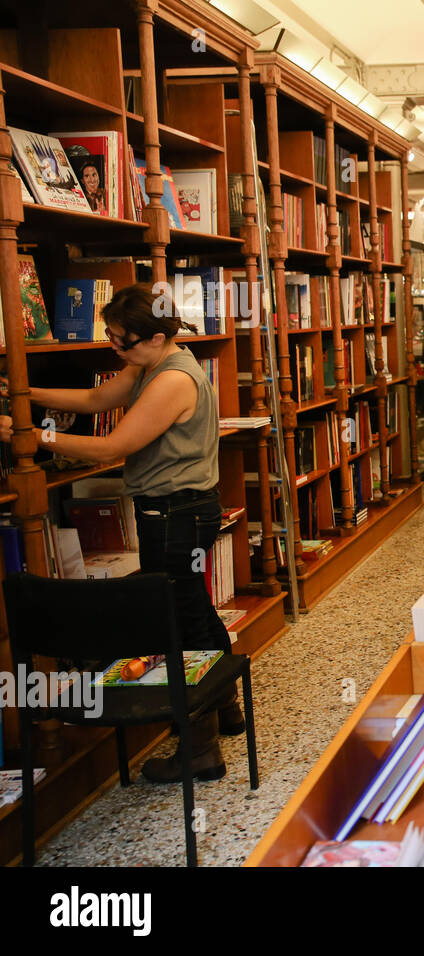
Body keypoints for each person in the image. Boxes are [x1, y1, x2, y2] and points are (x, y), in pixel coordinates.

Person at [0, 282, 240, 782]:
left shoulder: (172, 380)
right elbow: (95, 398)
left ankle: (200, 748)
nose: (114, 349)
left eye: (121, 341)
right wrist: (22, 392)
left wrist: (31, 436)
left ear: (155, 337)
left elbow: (112, 447)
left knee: (179, 623)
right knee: (193, 612)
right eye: (111, 338)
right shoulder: (150, 362)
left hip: (174, 515)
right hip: (180, 511)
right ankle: (224, 706)